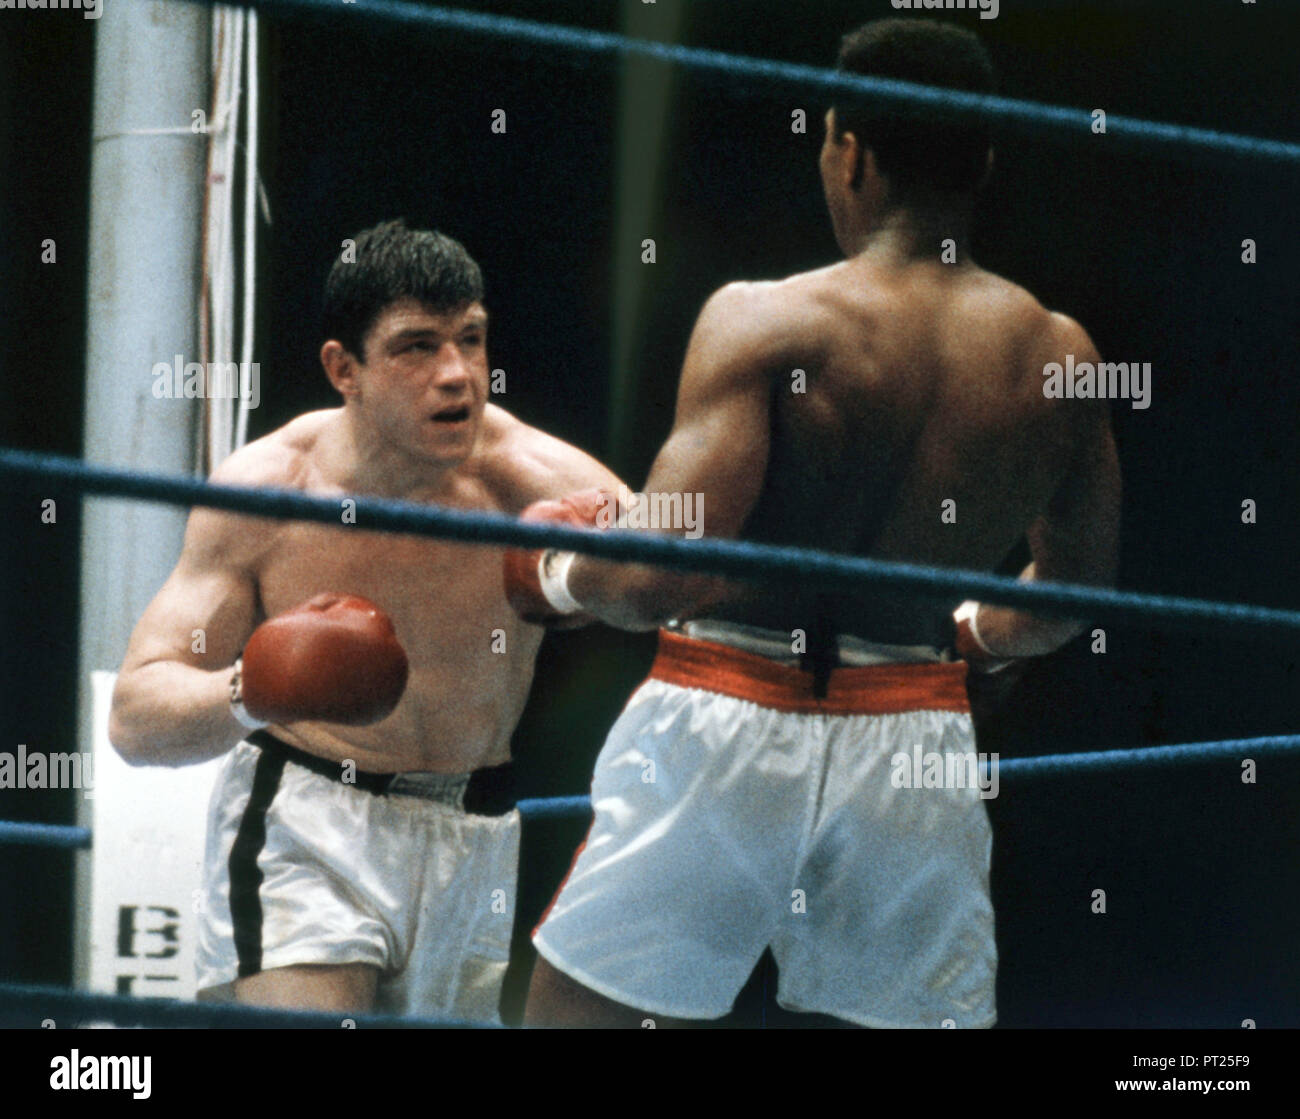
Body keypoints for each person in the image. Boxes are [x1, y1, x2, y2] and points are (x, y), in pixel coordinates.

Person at [506, 19, 1121, 1027]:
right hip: (913, 739)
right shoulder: (1059, 354)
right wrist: (968, 631)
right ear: (984, 160)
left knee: (584, 1019)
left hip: (723, 715)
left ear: (849, 151)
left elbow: (659, 572)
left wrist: (558, 573)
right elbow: (1073, 601)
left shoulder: (766, 321)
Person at [108, 219, 621, 1022]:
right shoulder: (270, 494)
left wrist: (574, 580)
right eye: (417, 346)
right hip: (308, 825)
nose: (457, 375)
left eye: (472, 339)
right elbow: (136, 716)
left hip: (476, 829)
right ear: (343, 369)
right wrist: (256, 687)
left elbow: (680, 572)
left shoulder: (525, 478)